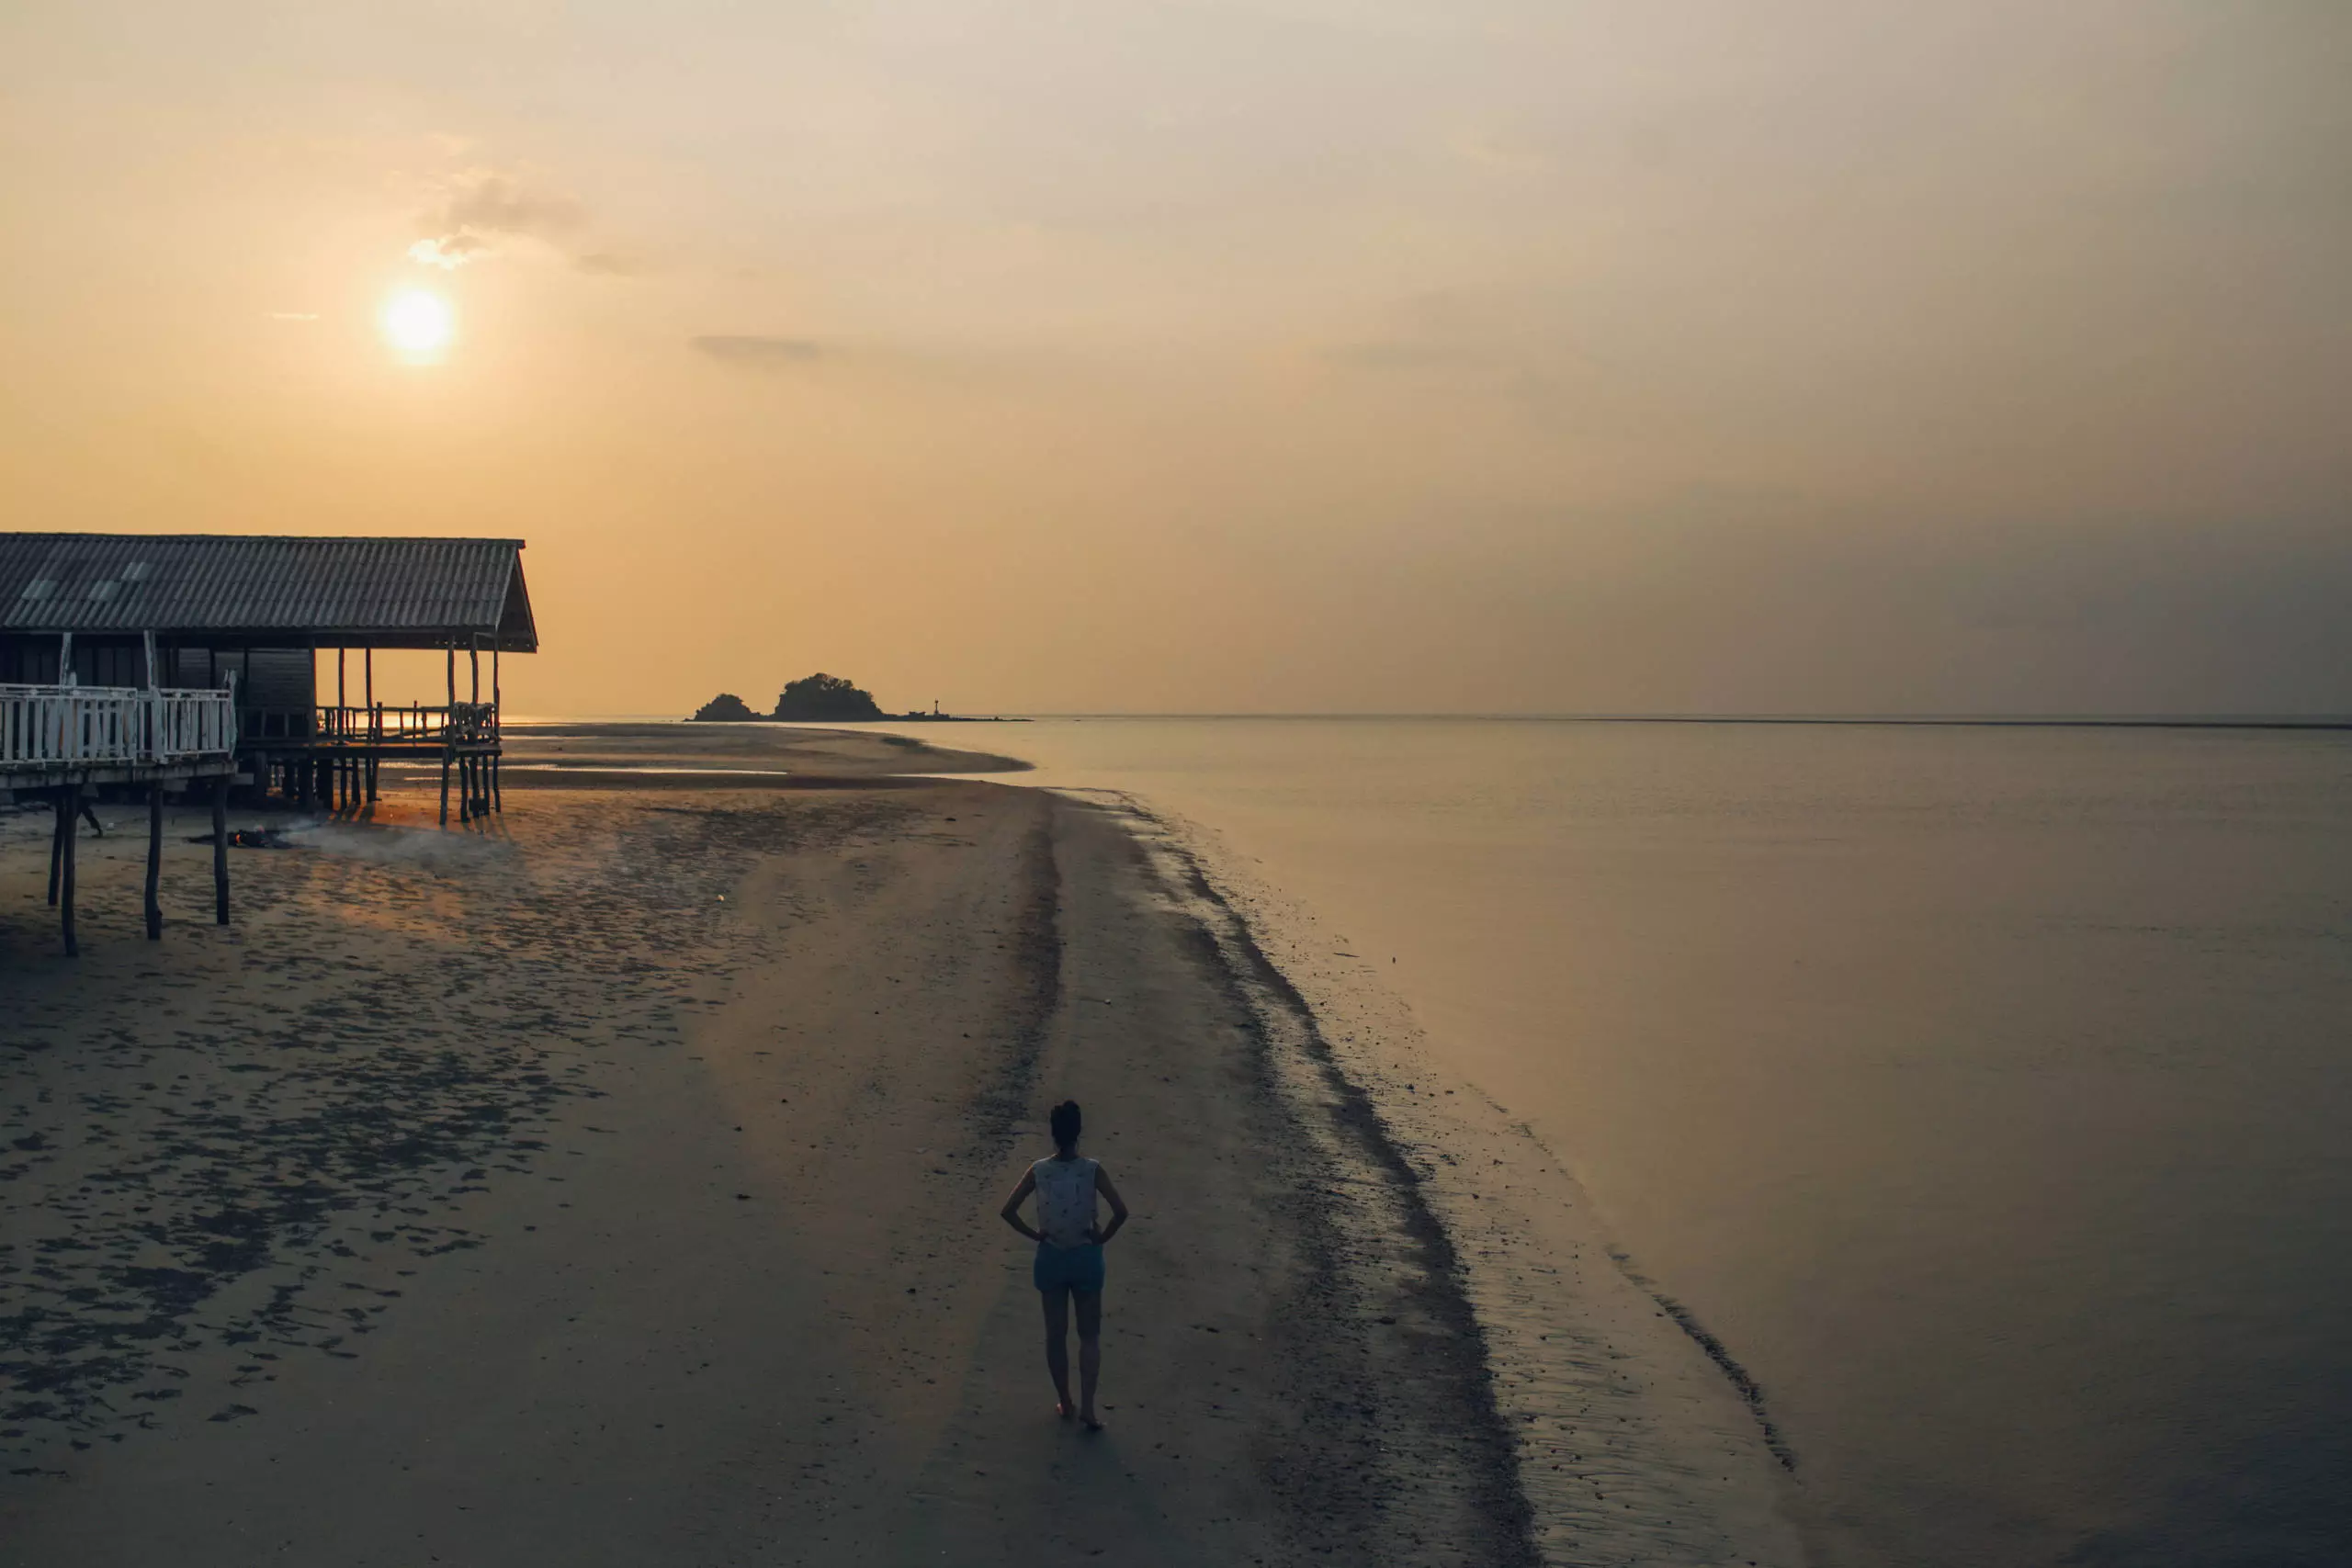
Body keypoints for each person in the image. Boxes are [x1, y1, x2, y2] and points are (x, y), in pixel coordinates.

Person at [1000, 1100, 1128, 1429]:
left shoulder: (1039, 1169)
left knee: (1055, 1335)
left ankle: (1065, 1401)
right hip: (1086, 1256)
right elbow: (1120, 1212)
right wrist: (1102, 1238)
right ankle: (1088, 1408)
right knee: (1089, 1336)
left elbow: (1008, 1210)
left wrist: (1035, 1235)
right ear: (1078, 1132)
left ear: (1053, 1133)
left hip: (1052, 1257)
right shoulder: (1092, 1169)